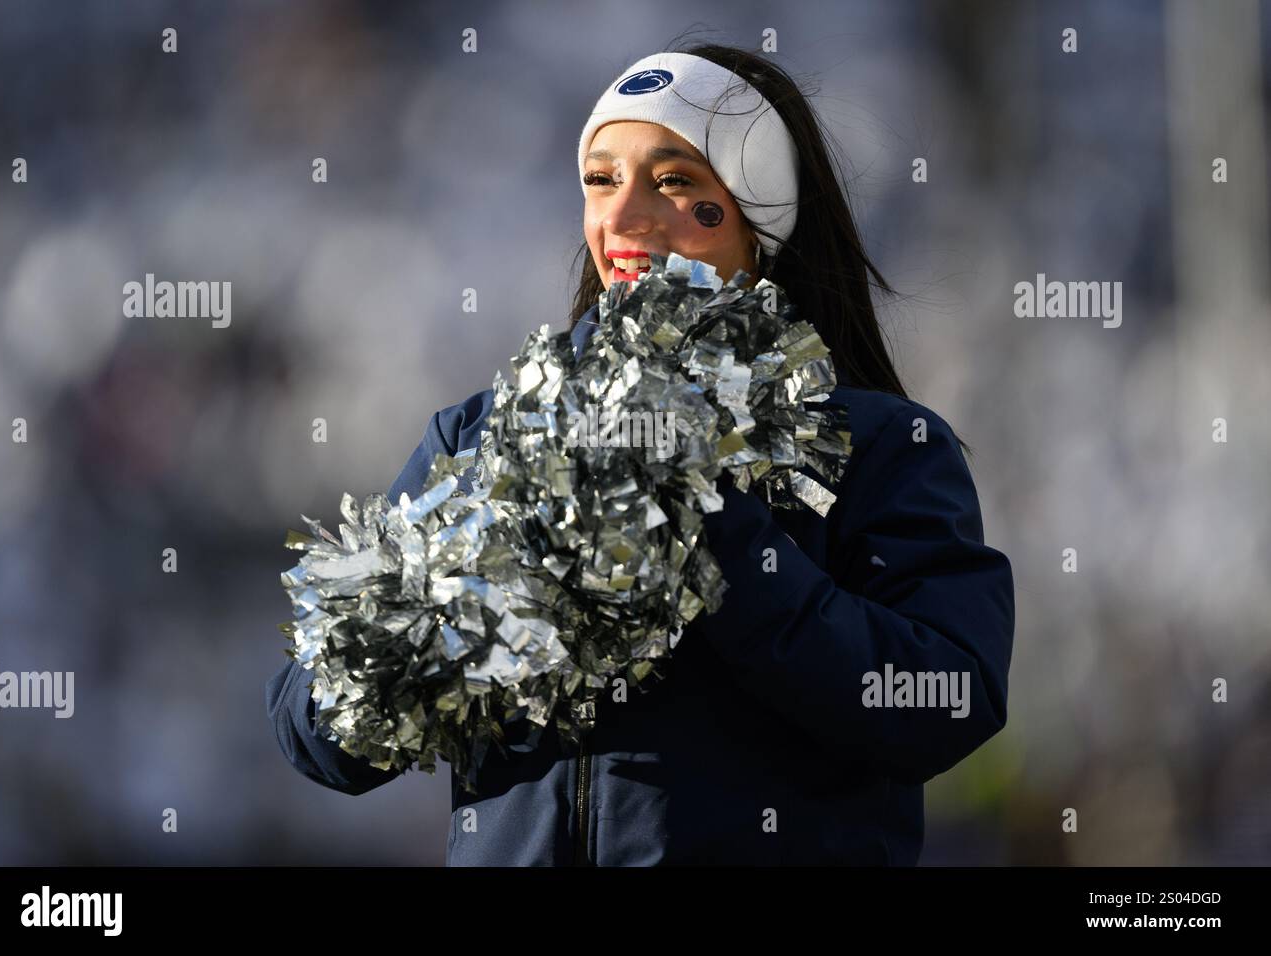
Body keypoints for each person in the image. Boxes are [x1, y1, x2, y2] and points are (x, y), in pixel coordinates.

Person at [265, 44, 1015, 866]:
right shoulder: (478, 437)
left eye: (674, 182)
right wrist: (474, 594)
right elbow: (317, 735)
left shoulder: (878, 444)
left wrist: (710, 527)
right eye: (600, 180)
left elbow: (946, 702)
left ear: (757, 208)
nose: (622, 219)